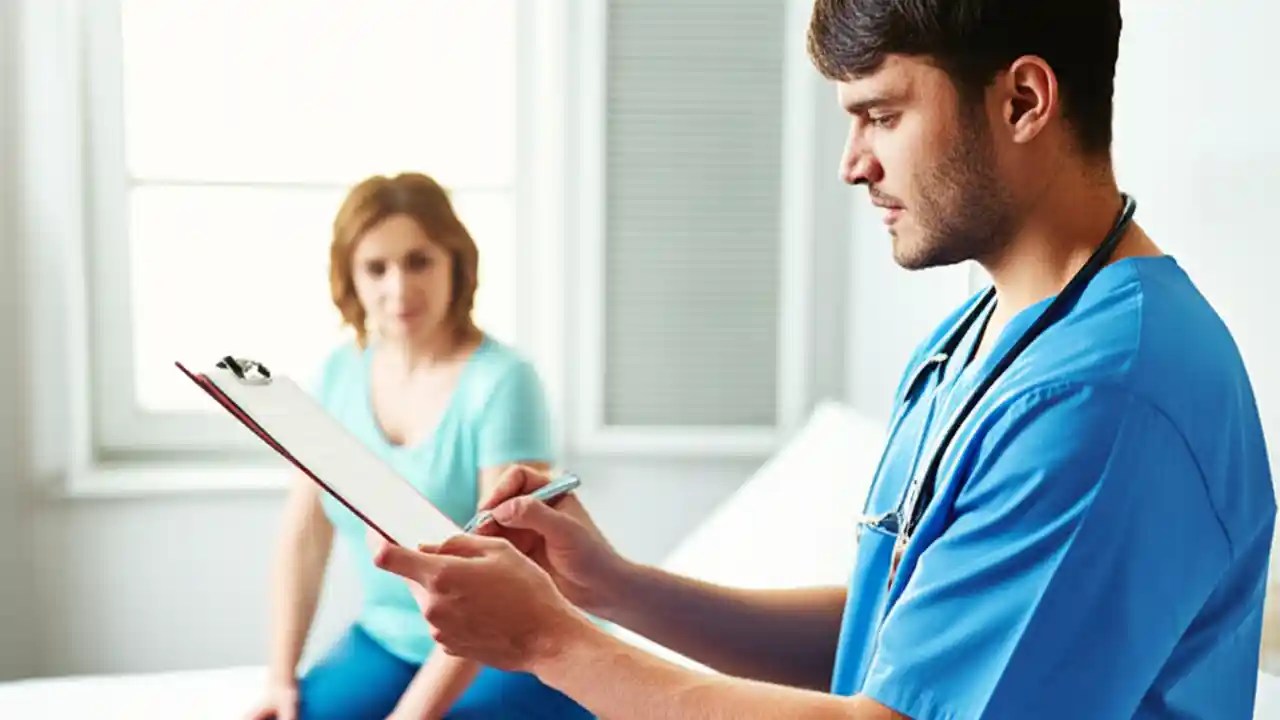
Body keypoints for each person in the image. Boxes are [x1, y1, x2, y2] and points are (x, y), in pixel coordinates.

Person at [368, 2, 1277, 718]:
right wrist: (614, 588)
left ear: (1023, 102)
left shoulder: (1105, 398)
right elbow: (896, 644)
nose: (852, 164)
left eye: (881, 114)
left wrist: (551, 642)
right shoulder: (973, 339)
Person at [249, 173, 592, 720]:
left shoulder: (504, 383)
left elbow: (499, 582)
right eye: (376, 268)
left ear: (456, 263)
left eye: (419, 262)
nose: (399, 288)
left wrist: (411, 716)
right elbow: (305, 536)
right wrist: (278, 679)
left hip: (507, 645)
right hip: (391, 640)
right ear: (349, 277)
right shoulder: (337, 375)